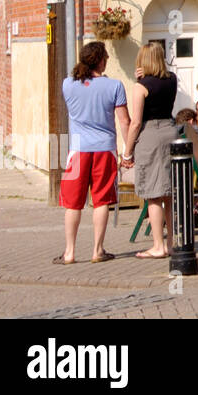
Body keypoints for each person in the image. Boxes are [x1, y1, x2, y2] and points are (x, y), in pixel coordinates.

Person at [57, 42, 130, 265]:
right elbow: (125, 121)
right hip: (104, 149)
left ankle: (69, 252)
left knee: (73, 203)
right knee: (101, 201)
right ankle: (97, 250)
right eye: (106, 57)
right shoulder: (115, 86)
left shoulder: (68, 84)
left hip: (77, 150)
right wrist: (128, 151)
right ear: (100, 60)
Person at [119, 42, 180, 259]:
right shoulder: (172, 79)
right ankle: (172, 244)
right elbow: (160, 81)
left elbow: (135, 122)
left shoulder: (141, 86)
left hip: (151, 134)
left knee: (154, 194)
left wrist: (127, 152)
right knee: (170, 192)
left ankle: (158, 245)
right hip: (170, 131)